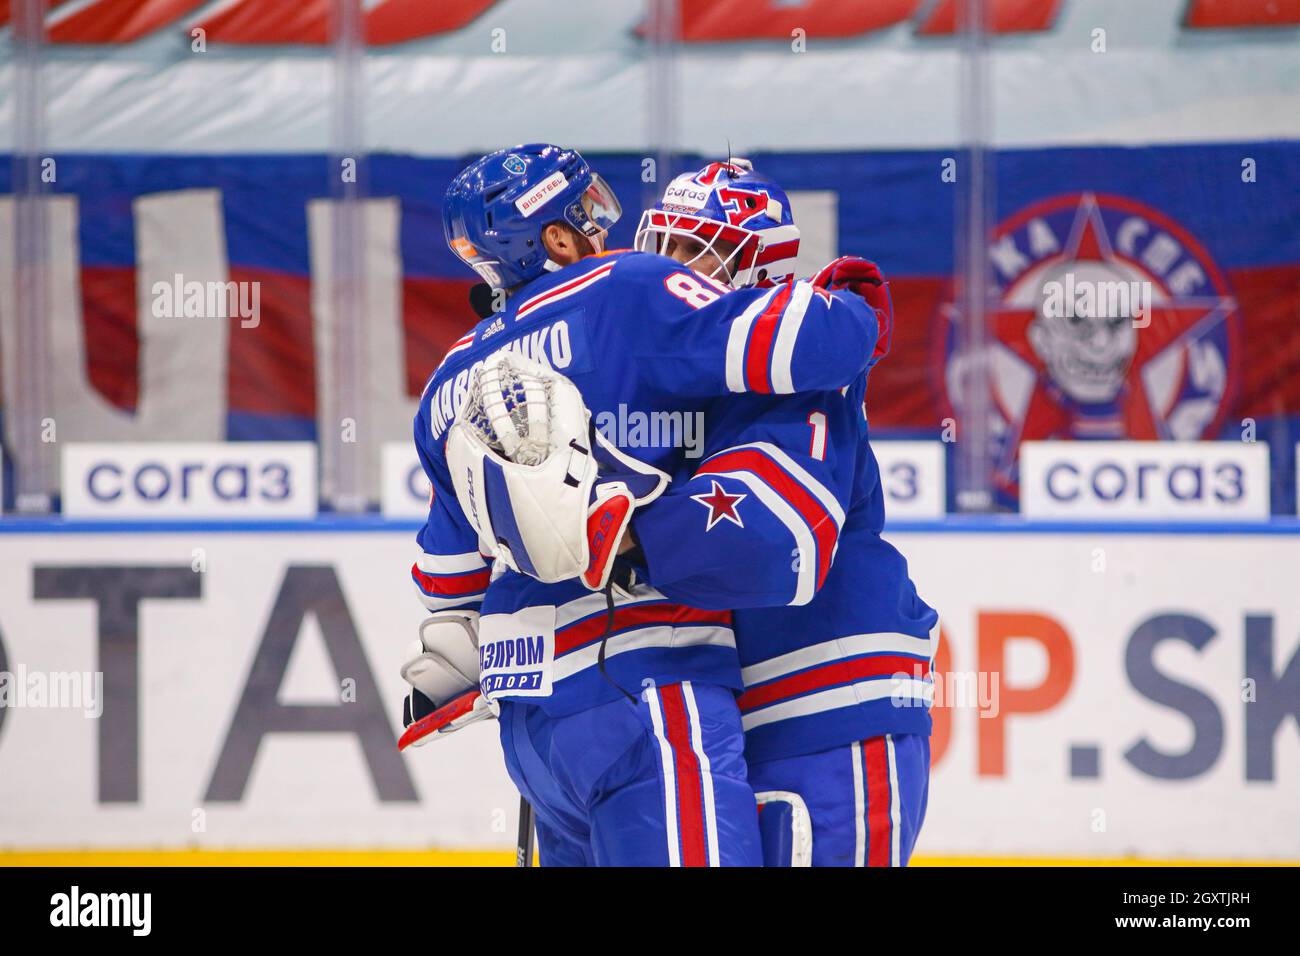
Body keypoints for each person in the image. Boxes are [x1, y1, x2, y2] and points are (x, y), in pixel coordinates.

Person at [400, 143, 887, 865]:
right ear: (556, 237)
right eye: (585, 212)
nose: (604, 225)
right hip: (645, 680)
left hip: (531, 728)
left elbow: (448, 585)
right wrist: (856, 304)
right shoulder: (624, 288)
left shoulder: (447, 383)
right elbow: (802, 344)